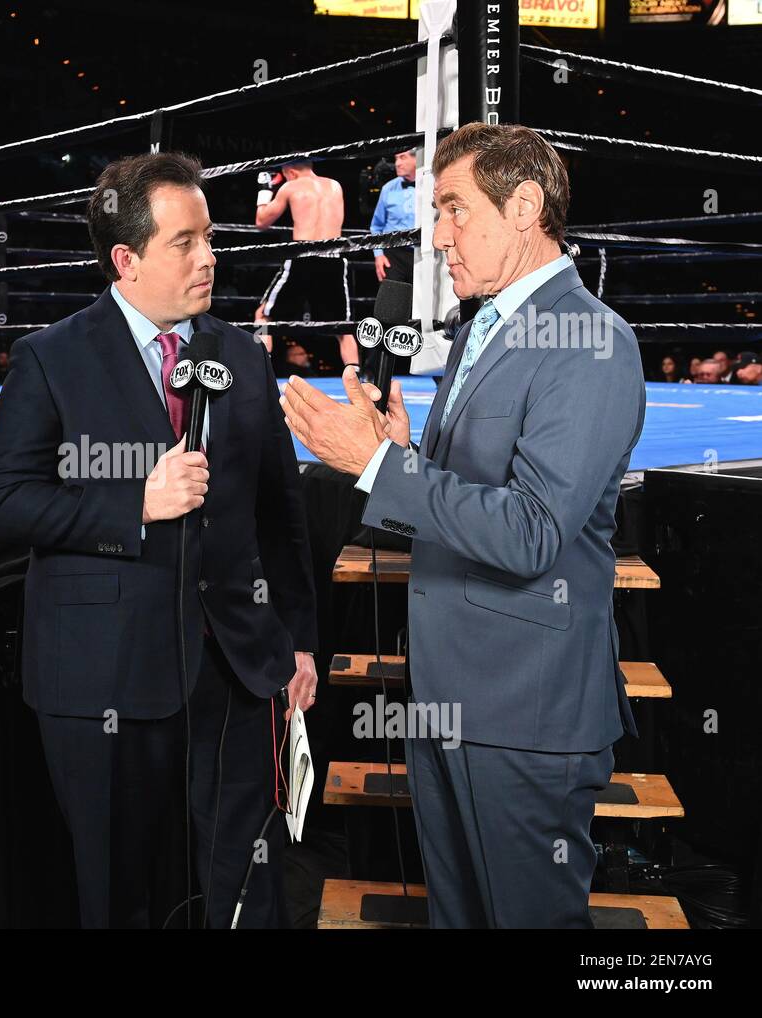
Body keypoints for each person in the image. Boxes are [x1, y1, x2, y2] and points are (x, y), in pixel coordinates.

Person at [282, 122, 645, 928]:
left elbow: (528, 533)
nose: (437, 235)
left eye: (452, 209)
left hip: (524, 720)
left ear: (524, 207)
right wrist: (401, 454)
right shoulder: (487, 324)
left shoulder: (590, 342)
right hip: (450, 701)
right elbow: (457, 506)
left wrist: (379, 467)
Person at [0, 151, 318, 929]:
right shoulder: (50, 357)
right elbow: (5, 503)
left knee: (245, 885)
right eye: (186, 242)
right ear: (126, 260)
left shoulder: (239, 356)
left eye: (209, 237)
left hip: (236, 669)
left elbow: (280, 512)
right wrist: (136, 502)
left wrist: (297, 639)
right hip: (103, 673)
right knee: (118, 890)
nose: (209, 257)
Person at [253, 159, 359, 375]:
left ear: (290, 171)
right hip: (333, 258)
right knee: (343, 327)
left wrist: (265, 190)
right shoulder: (335, 185)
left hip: (303, 258)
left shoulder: (291, 186)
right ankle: (356, 375)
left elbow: (261, 221)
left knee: (263, 315)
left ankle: (259, 368)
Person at [371, 147, 418, 284]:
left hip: (424, 254)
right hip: (393, 254)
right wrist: (378, 255)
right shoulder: (388, 189)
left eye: (403, 157)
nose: (397, 163)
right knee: (392, 301)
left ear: (417, 158)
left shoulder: (433, 185)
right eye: (396, 159)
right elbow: (376, 226)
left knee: (423, 303)